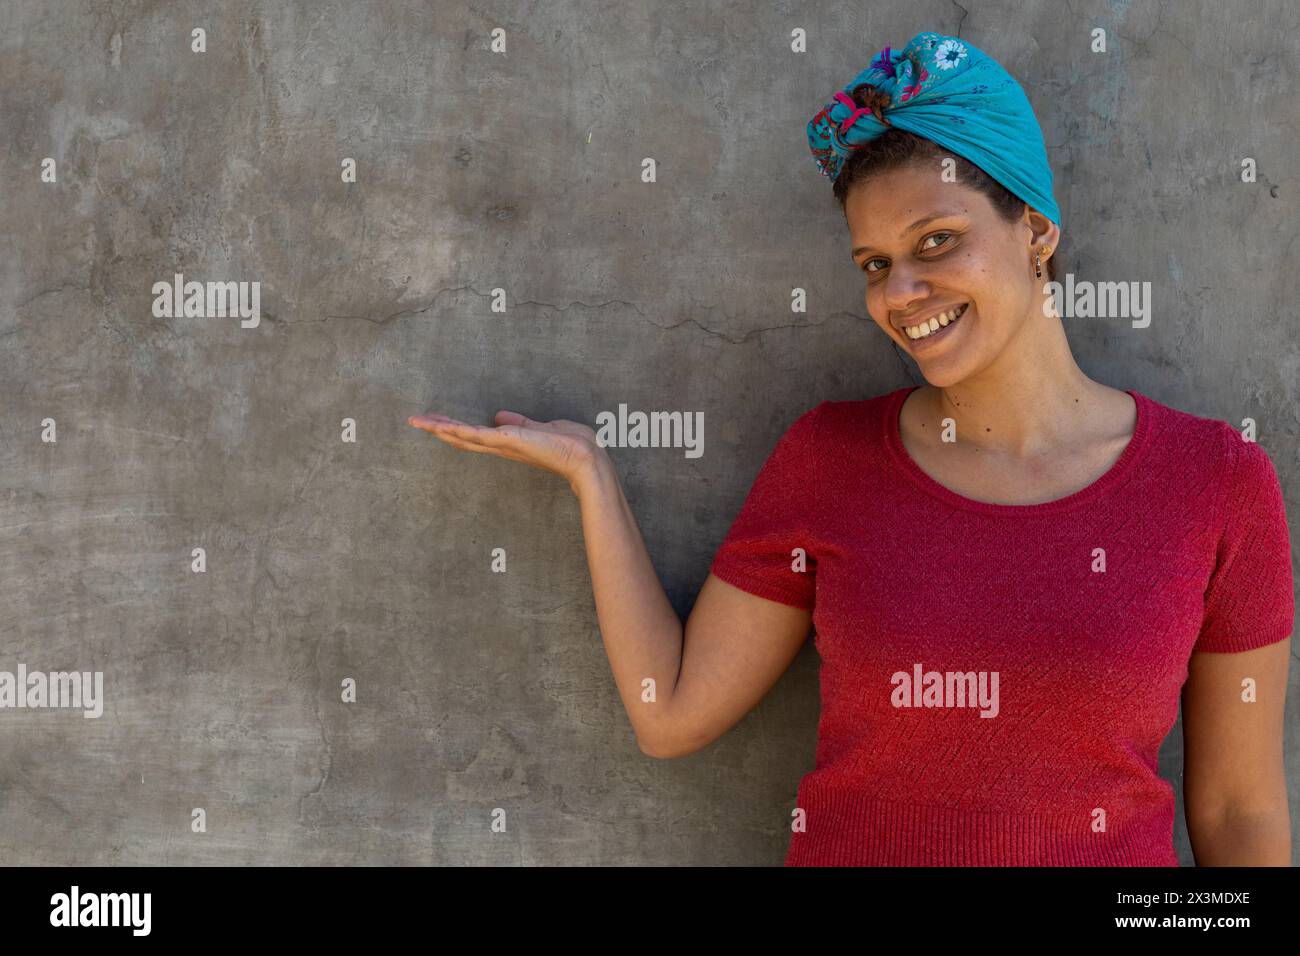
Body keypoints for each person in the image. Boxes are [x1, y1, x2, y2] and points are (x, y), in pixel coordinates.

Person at [408, 31, 1294, 866]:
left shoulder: (1216, 484)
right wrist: (594, 480)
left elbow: (1238, 814)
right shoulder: (830, 459)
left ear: (1036, 230)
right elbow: (669, 714)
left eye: (937, 242)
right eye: (874, 264)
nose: (902, 293)